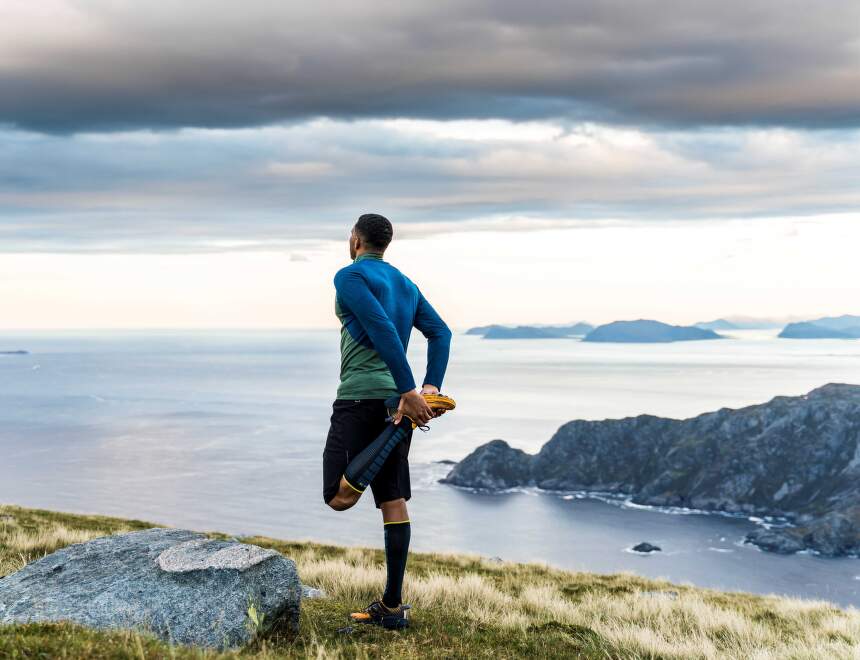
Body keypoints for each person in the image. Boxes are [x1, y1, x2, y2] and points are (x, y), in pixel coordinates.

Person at [322, 213, 453, 630]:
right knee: (393, 500)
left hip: (362, 397)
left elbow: (380, 328)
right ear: (387, 243)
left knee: (338, 496)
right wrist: (429, 387)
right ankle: (393, 609)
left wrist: (412, 393)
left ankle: (401, 422)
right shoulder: (406, 284)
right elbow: (441, 333)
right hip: (397, 399)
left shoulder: (350, 276)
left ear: (355, 240)